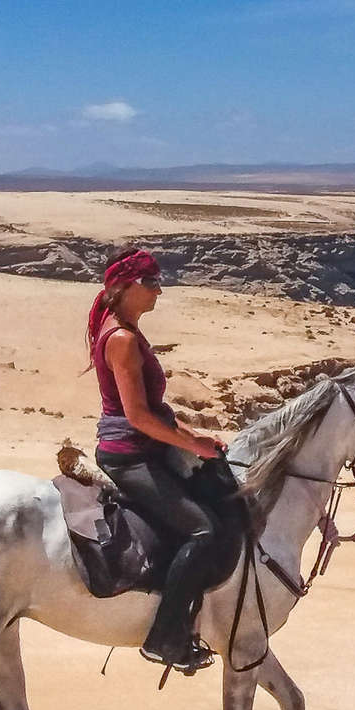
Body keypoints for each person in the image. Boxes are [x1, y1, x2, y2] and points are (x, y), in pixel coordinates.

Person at [86, 247, 229, 673]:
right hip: (130, 457)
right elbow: (138, 417)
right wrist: (192, 445)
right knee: (204, 530)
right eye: (151, 282)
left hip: (142, 447)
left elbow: (155, 413)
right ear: (125, 286)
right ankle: (164, 638)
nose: (159, 290)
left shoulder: (126, 329)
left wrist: (194, 438)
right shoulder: (124, 340)